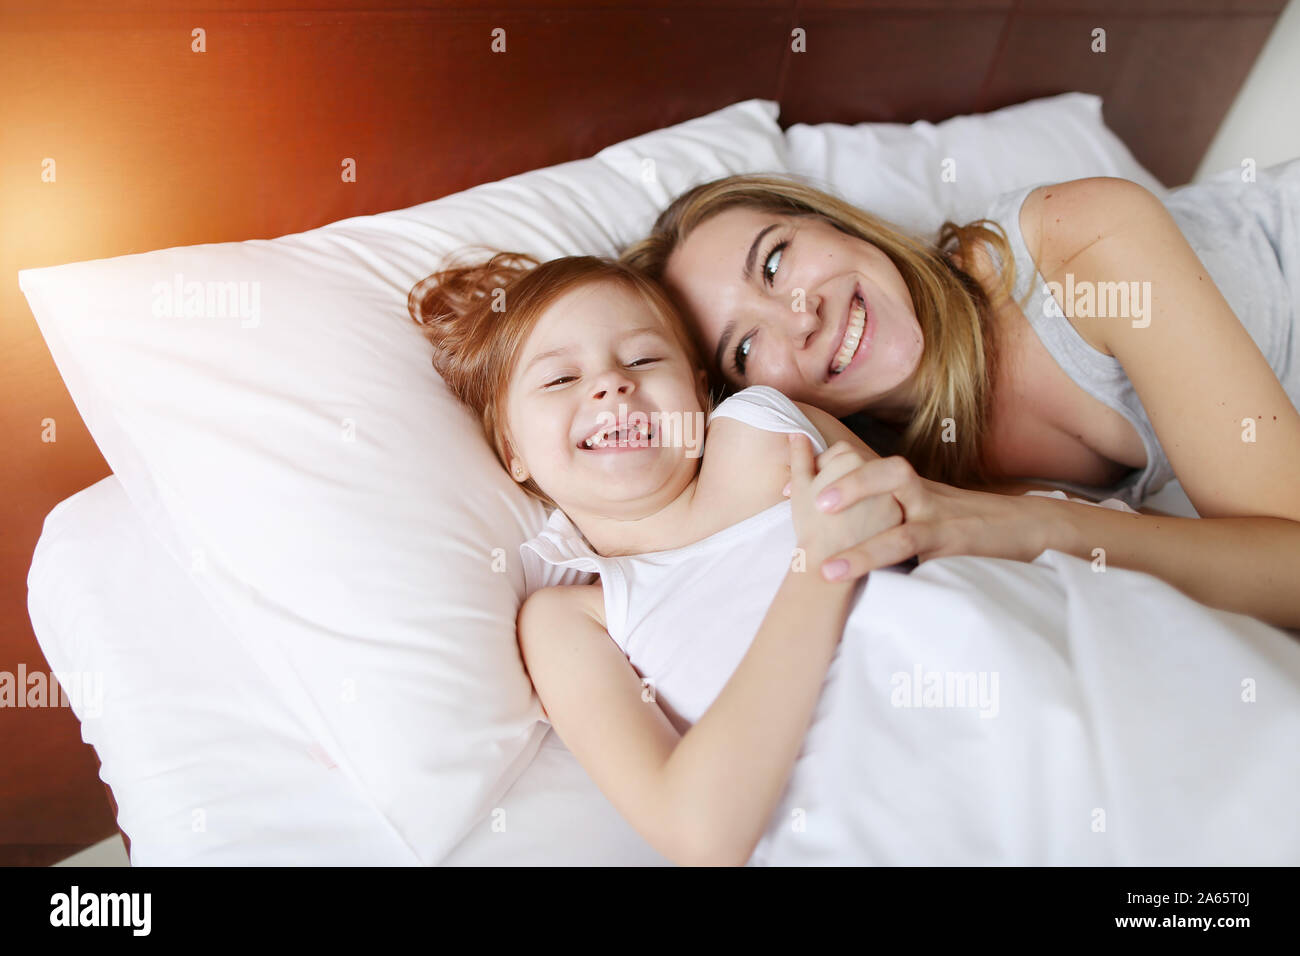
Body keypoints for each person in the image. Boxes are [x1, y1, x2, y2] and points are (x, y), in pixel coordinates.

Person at [406, 251, 1181, 866]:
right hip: (889, 820)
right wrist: (818, 568)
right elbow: (700, 834)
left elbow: (951, 529)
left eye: (643, 361)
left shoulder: (767, 428)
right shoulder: (575, 620)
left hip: (1037, 691)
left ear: (700, 391)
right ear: (512, 452)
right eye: (562, 378)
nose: (610, 387)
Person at [619, 164, 1300, 630]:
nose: (799, 316)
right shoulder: (920, 484)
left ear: (834, 223)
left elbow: (1290, 569)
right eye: (744, 349)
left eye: (774, 261)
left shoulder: (1080, 240)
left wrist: (1051, 527)